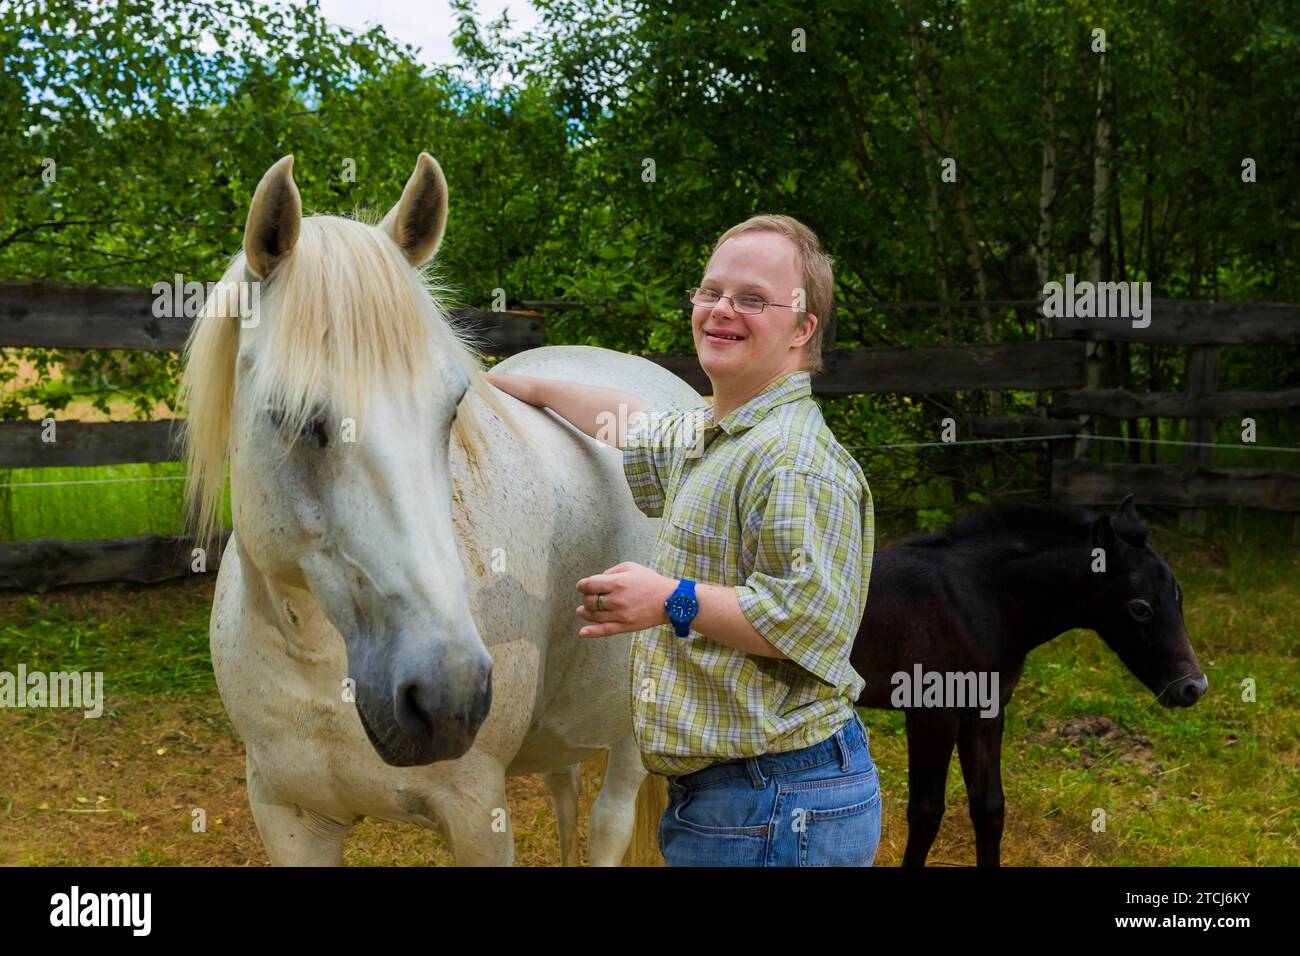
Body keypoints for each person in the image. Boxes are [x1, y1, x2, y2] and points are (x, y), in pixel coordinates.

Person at [487, 214, 878, 866]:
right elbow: (635, 423)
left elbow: (811, 623)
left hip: (780, 803)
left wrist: (670, 598)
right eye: (711, 292)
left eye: (752, 298)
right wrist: (522, 387)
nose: (722, 310)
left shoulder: (792, 459)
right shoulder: (717, 431)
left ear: (803, 327)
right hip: (734, 798)